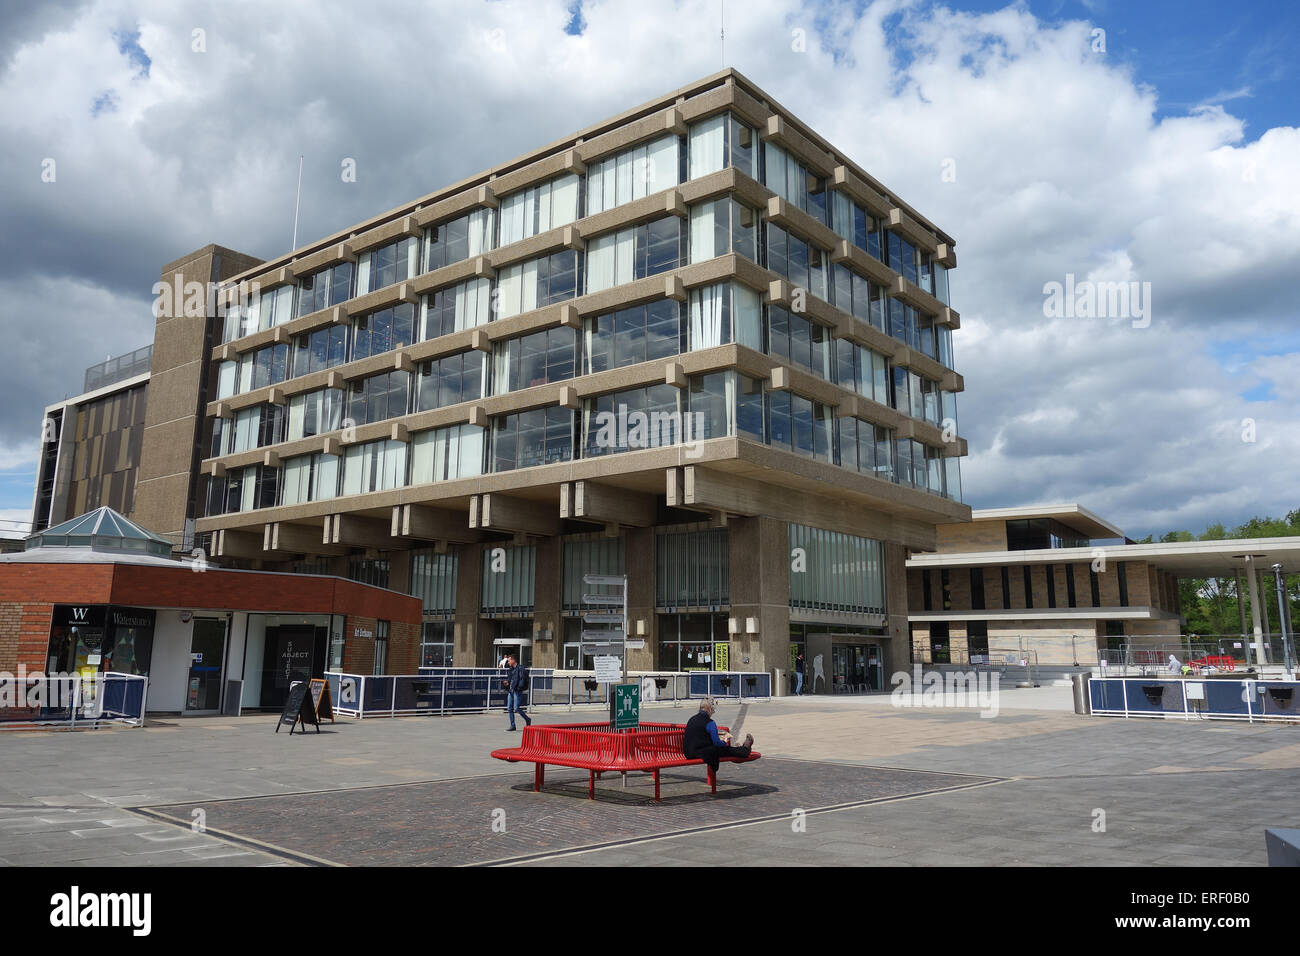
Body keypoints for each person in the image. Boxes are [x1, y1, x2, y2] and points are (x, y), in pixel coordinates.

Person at [682, 697, 752, 776]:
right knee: (726, 749)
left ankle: (740, 748)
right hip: (702, 753)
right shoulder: (710, 723)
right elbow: (716, 743)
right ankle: (745, 749)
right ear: (709, 709)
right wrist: (725, 741)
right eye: (713, 710)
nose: (713, 712)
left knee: (723, 749)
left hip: (688, 753)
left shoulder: (692, 719)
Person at [505, 655, 532, 731]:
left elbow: (522, 680)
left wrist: (519, 688)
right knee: (509, 708)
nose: (508, 662)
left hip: (517, 691)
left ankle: (527, 719)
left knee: (516, 708)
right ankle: (513, 725)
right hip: (511, 691)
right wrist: (507, 683)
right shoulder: (510, 669)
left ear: (513, 660)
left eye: (509, 660)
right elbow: (510, 679)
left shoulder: (520, 668)